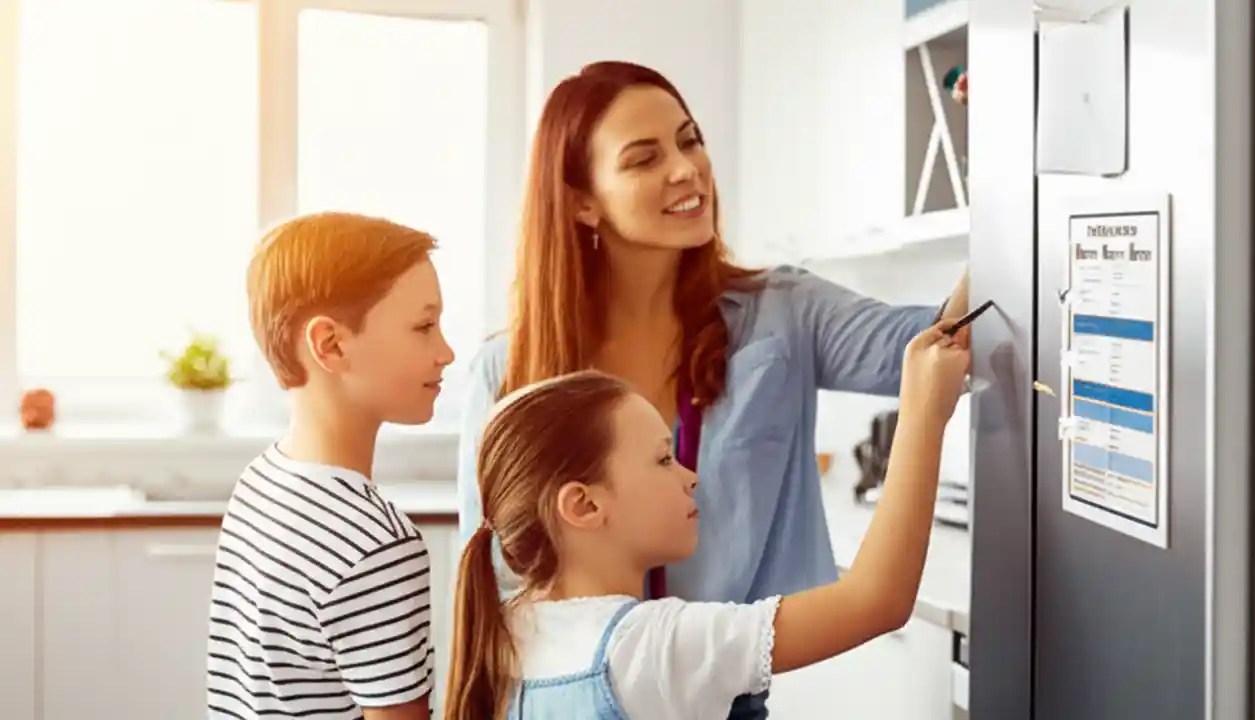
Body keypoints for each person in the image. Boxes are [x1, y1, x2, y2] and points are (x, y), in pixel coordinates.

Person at [455, 60, 969, 716]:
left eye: (690, 140)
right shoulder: (506, 372)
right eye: (644, 158)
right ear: (583, 199)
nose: (685, 169)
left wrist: (1007, 155)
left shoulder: (784, 315)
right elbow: (494, 590)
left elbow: (954, 342)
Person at [446, 323, 969, 720]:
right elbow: (876, 601)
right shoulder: (656, 644)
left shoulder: (506, 631)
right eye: (662, 459)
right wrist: (925, 409)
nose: (691, 476)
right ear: (583, 506)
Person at [207, 212, 453, 719]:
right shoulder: (376, 545)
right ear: (331, 344)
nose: (445, 352)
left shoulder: (262, 482)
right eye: (424, 326)